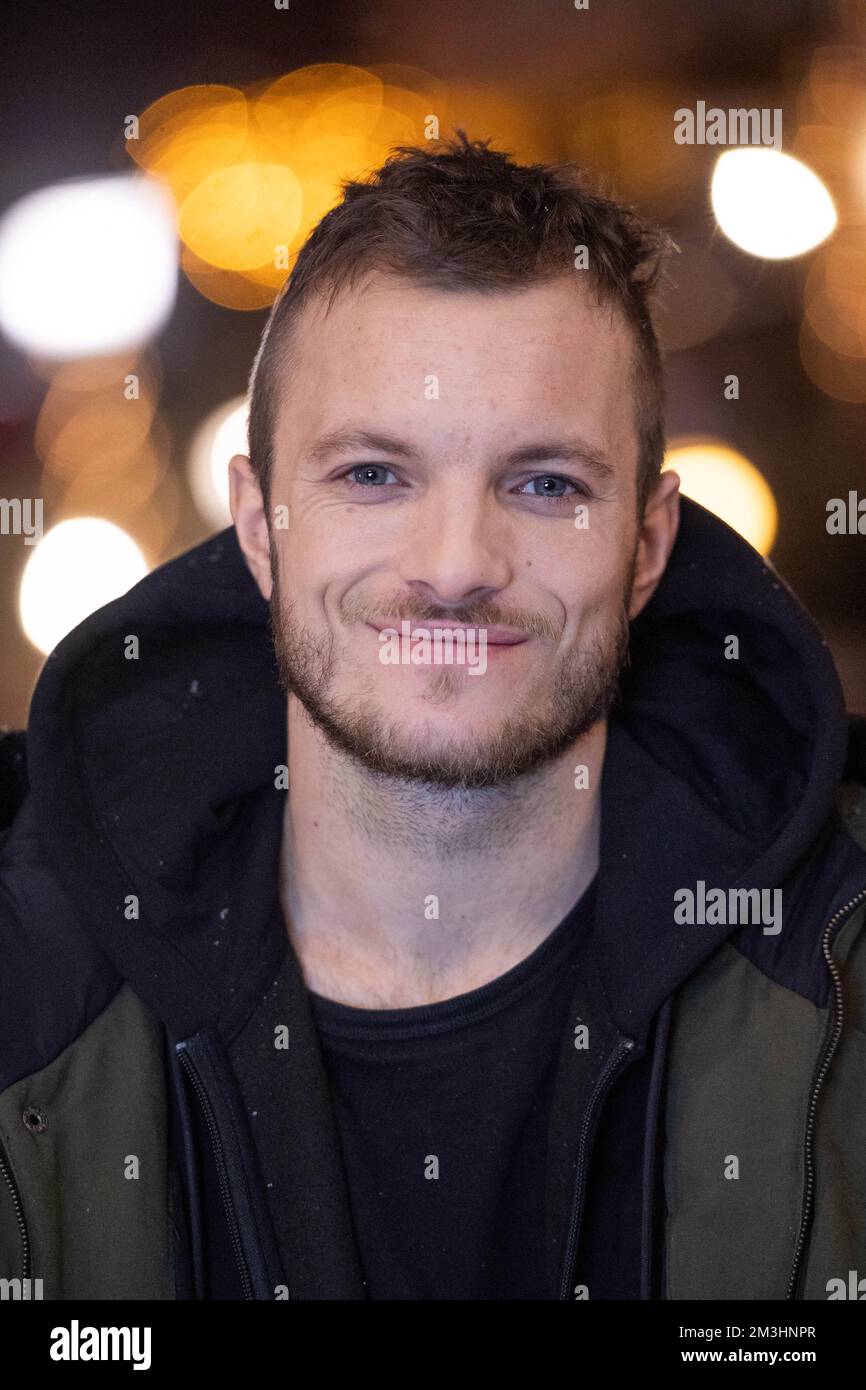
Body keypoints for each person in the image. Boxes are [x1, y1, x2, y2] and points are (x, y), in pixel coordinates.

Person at [1, 133, 865, 1302]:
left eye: (544, 483)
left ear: (648, 543)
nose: (455, 566)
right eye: (372, 474)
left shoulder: (835, 960)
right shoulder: (26, 976)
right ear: (258, 521)